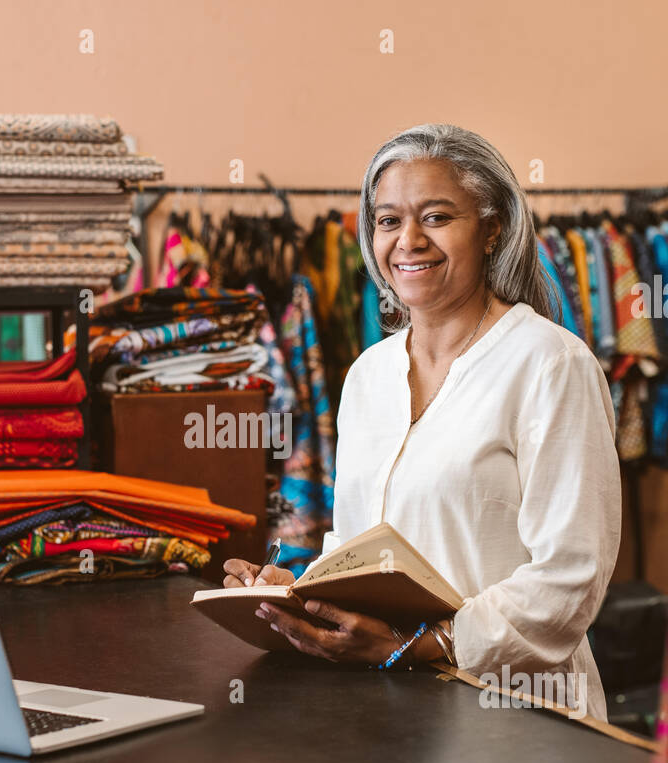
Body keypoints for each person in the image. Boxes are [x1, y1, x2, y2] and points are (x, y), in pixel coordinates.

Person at [222, 123, 620, 721]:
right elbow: (361, 550)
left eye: (436, 217)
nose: (409, 240)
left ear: (492, 230)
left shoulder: (550, 364)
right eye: (388, 221)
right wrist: (297, 592)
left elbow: (571, 576)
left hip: (517, 712)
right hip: (388, 706)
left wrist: (428, 643)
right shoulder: (368, 375)